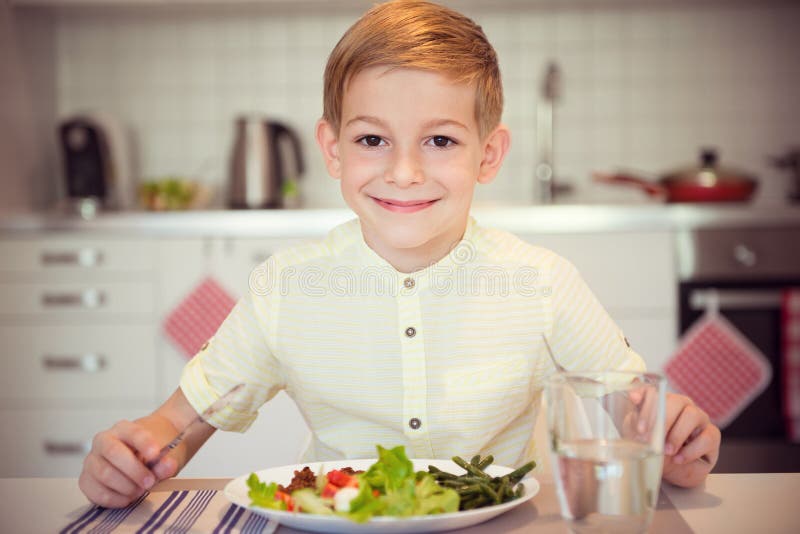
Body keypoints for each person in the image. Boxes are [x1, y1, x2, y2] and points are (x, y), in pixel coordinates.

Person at [79, 0, 720, 508]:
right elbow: (176, 429)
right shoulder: (286, 289)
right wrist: (130, 457)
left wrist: (681, 444)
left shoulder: (542, 285)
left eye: (440, 140)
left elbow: (643, 427)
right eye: (372, 140)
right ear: (332, 151)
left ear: (488, 155)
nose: (406, 172)